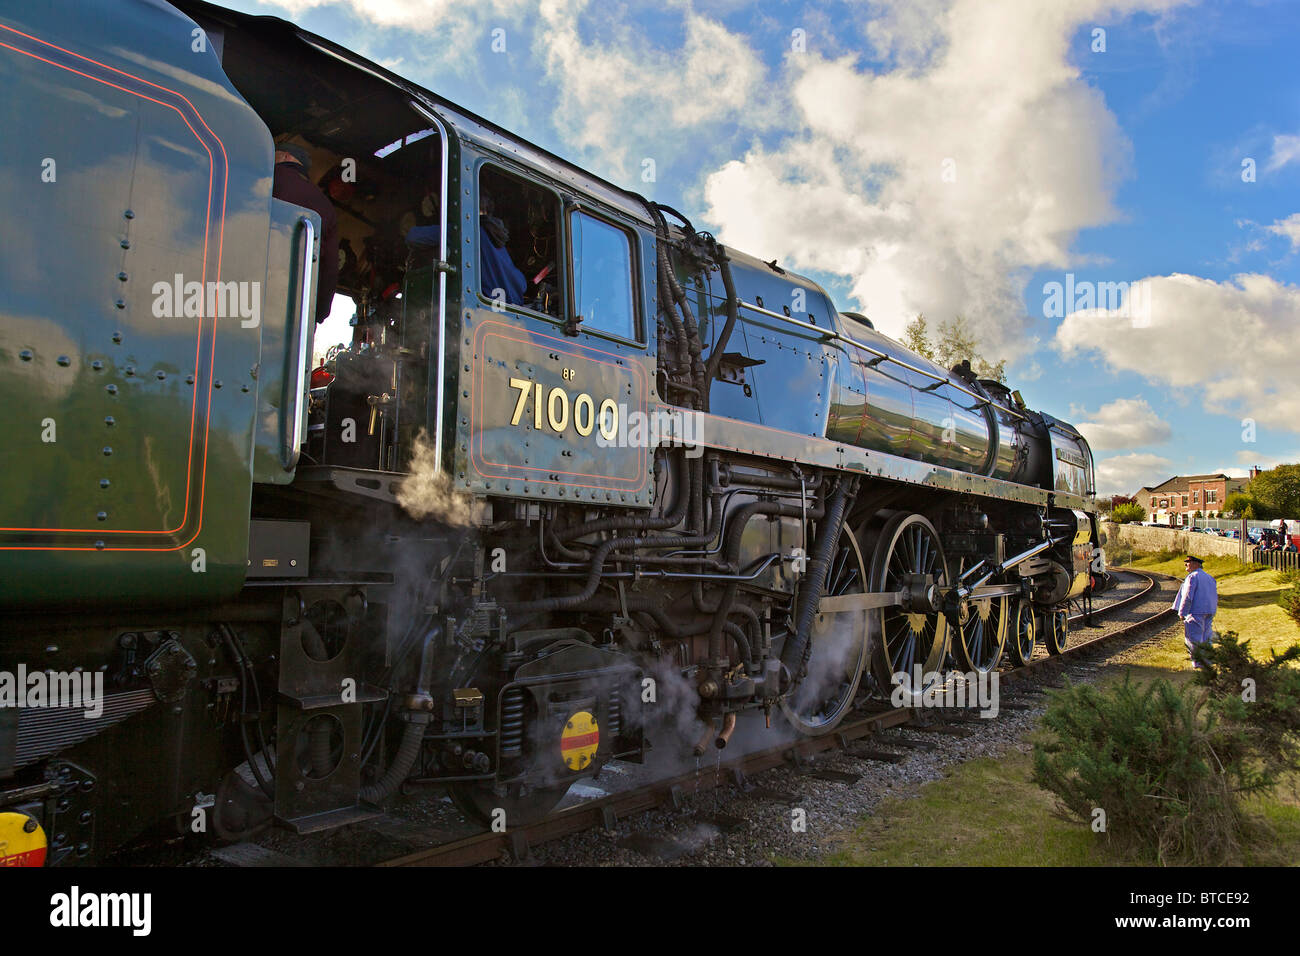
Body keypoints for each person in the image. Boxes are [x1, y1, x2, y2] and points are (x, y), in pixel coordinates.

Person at [272, 141, 339, 323]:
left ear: (285, 156)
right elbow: (330, 267)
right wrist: (319, 313)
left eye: (274, 153)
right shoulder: (327, 206)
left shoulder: (269, 176)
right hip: (298, 308)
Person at [1172, 554, 1217, 668]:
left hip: (1195, 611)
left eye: (1188, 562)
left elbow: (1187, 596)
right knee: (1206, 637)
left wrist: (1182, 612)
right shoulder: (1209, 577)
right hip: (1209, 610)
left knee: (1193, 638)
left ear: (1195, 564)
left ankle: (1197, 662)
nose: (1185, 564)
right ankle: (1207, 661)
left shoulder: (1192, 577)